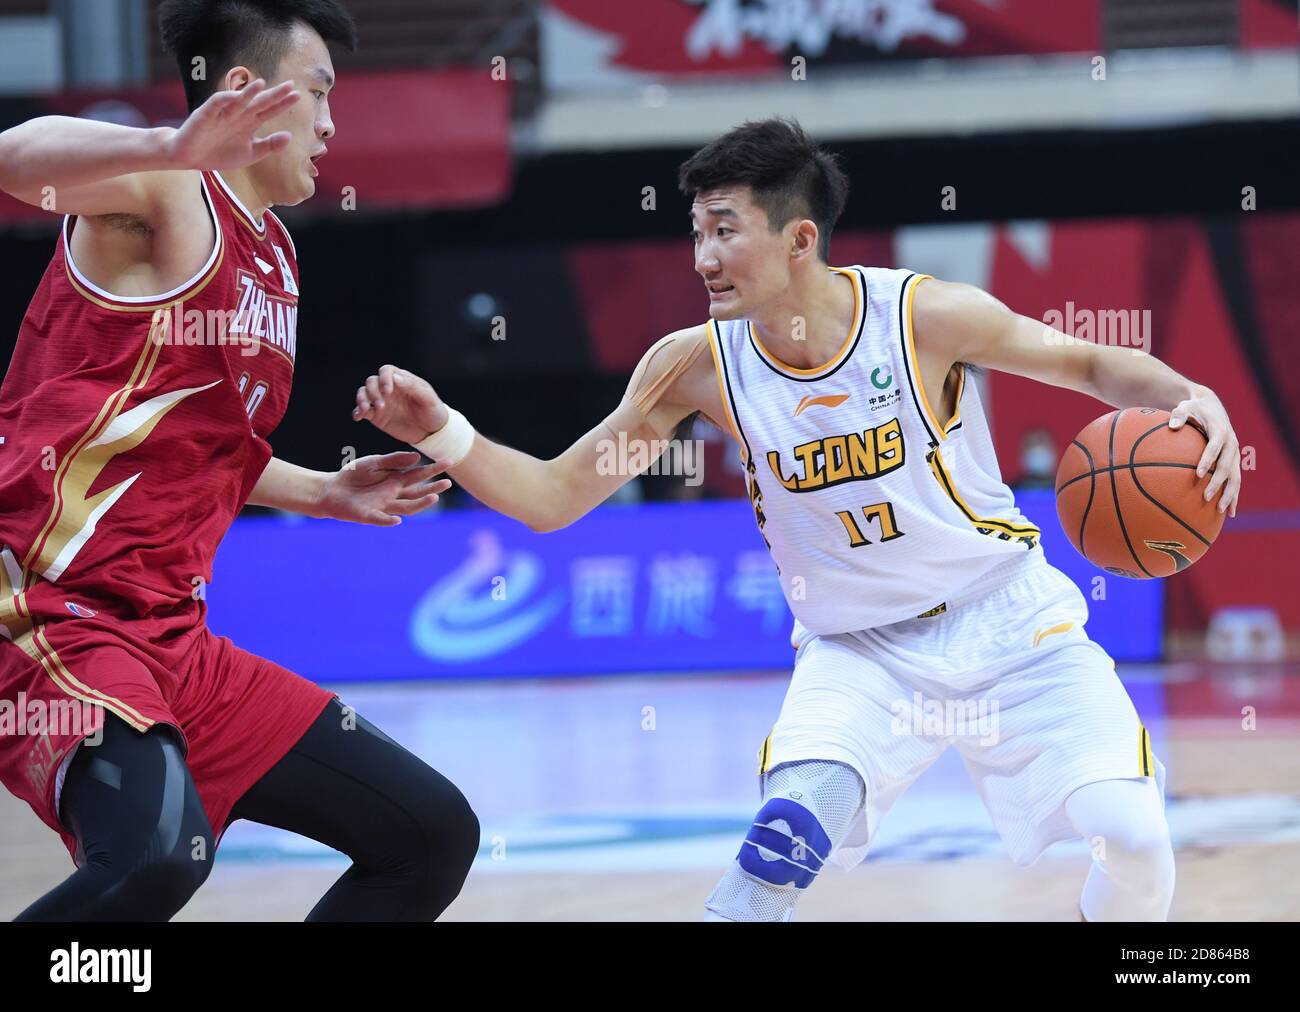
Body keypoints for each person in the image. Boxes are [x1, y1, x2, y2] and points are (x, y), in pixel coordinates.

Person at [353, 118, 1241, 922]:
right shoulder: (694, 368)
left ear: (799, 238)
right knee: (777, 847)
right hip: (857, 652)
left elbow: (1090, 365)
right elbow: (555, 497)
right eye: (695, 231)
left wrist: (1194, 398)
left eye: (724, 230)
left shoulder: (925, 317)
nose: (701, 255)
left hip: (1007, 618)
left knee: (1130, 839)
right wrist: (446, 431)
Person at [0, 0, 477, 921]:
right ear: (245, 95)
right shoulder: (167, 189)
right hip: (55, 617)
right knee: (155, 857)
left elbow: (196, 439)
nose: (334, 124)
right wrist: (170, 146)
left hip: (174, 638)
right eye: (321, 95)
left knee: (428, 836)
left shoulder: (277, 253)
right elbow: (16, 155)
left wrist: (324, 491)